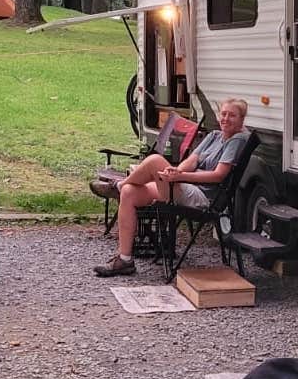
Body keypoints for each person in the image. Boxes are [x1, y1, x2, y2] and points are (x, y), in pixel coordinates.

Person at [93, 98, 250, 277]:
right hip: (184, 186)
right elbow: (191, 161)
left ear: (242, 119)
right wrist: (174, 171)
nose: (226, 119)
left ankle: (120, 184)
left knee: (154, 161)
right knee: (130, 193)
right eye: (224, 114)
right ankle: (125, 260)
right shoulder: (214, 136)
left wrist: (180, 177)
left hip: (203, 198)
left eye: (232, 115)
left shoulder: (237, 140)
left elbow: (218, 175)